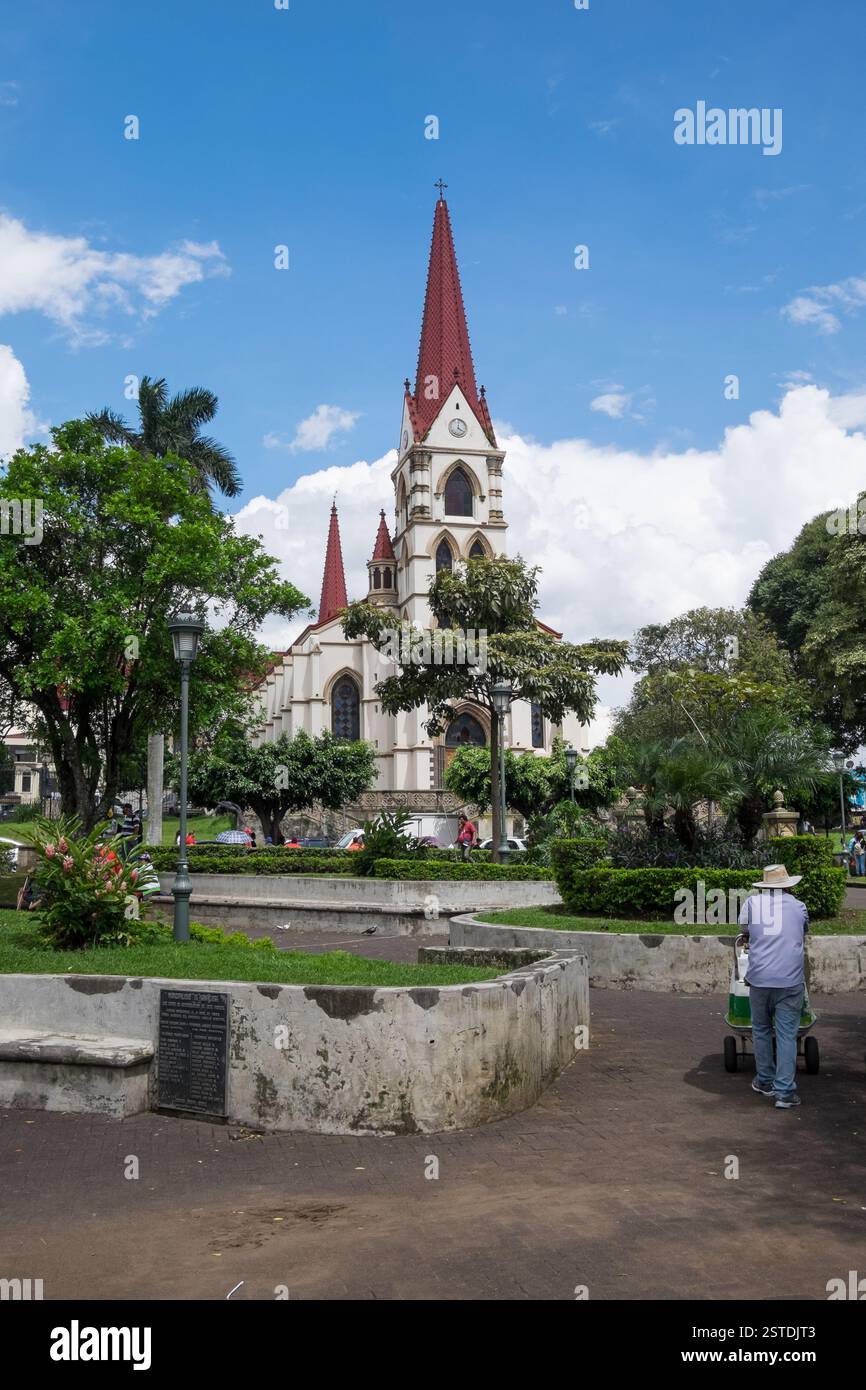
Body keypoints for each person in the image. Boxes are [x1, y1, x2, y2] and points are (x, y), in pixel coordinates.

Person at [738, 864, 809, 1109]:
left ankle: (765, 1081)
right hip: (790, 980)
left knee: (760, 1029)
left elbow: (744, 931)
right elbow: (803, 931)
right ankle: (785, 1092)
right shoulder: (799, 906)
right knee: (787, 1034)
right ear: (788, 885)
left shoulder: (751, 904)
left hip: (758, 979)